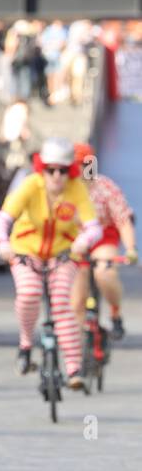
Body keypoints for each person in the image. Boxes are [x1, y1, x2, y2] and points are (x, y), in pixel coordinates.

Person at [0, 137, 100, 390]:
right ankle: (26, 342)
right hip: (25, 251)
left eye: (63, 170)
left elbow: (93, 226)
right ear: (43, 168)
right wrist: (2, 244)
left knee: (62, 302)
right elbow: (2, 219)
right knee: (29, 294)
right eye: (51, 170)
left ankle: (73, 368)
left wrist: (84, 241)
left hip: (63, 252)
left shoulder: (77, 189)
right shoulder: (31, 185)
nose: (57, 176)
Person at [70, 142, 138, 338]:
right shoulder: (66, 189)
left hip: (103, 237)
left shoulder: (104, 186)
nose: (79, 169)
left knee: (104, 272)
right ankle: (81, 347)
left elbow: (123, 219)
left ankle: (115, 312)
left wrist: (131, 248)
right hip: (74, 242)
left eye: (83, 164)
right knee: (76, 301)